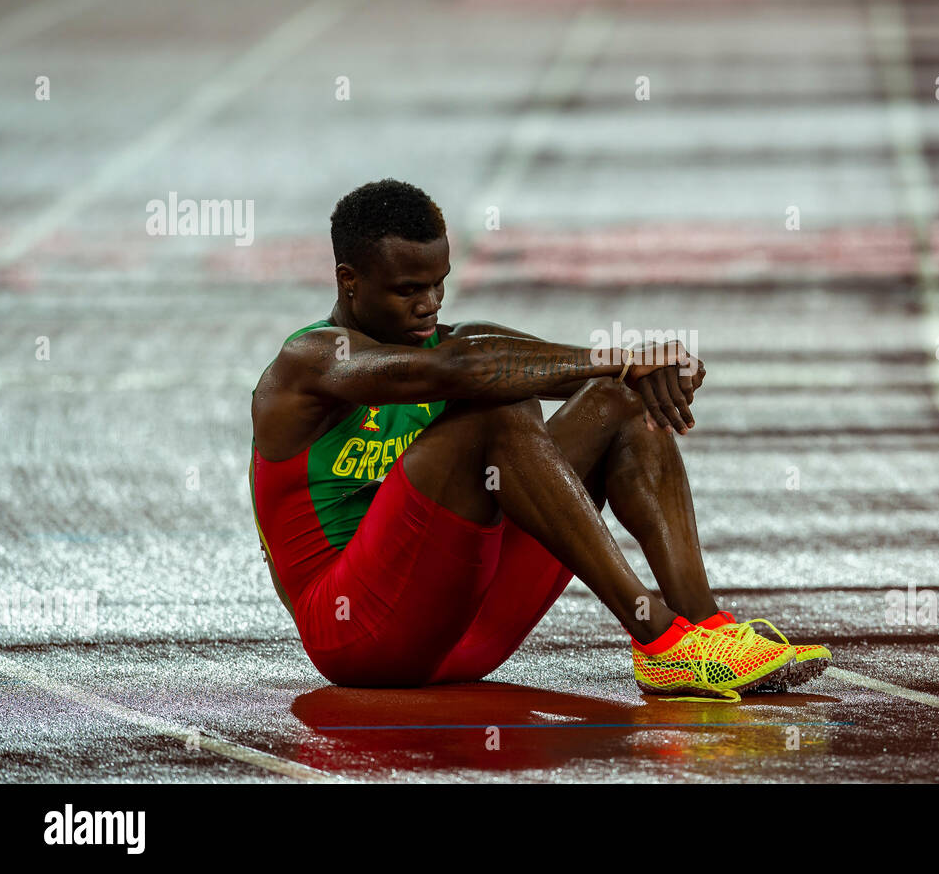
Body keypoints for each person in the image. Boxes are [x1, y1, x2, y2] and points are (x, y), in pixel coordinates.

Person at [248, 179, 830, 702]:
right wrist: (624, 358)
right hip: (361, 640)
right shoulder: (310, 360)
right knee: (496, 407)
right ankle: (658, 634)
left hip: (467, 634)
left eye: (439, 283)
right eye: (408, 290)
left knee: (620, 401)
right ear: (349, 281)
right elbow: (465, 369)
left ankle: (704, 631)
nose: (431, 305)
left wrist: (643, 371)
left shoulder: (455, 344)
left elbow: (495, 361)